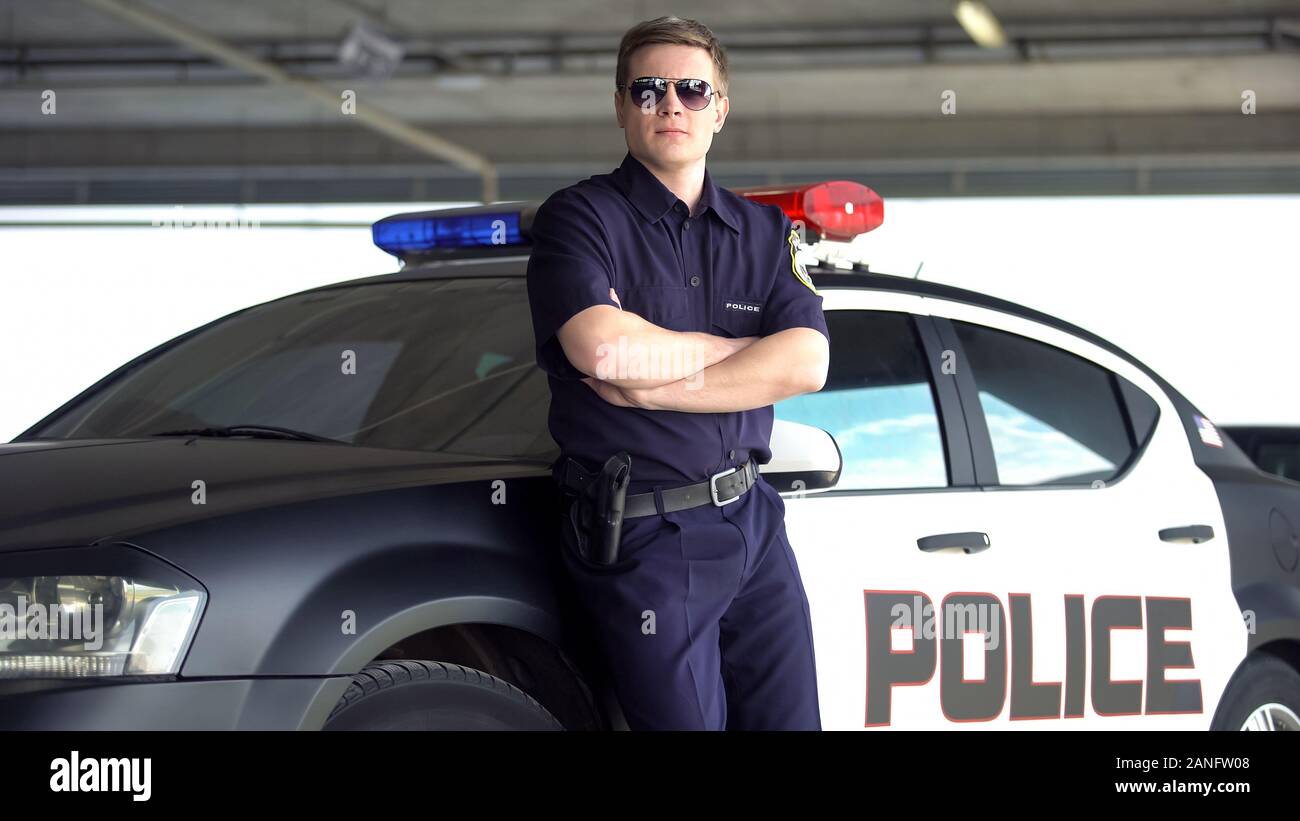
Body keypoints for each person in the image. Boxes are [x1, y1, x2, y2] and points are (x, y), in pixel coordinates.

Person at [525, 15, 830, 731]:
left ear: (720, 108)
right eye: (650, 89)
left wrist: (655, 378)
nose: (671, 105)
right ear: (621, 105)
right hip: (648, 534)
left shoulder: (764, 232)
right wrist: (745, 349)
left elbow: (808, 361)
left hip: (755, 522)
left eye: (692, 90)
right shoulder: (580, 219)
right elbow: (607, 355)